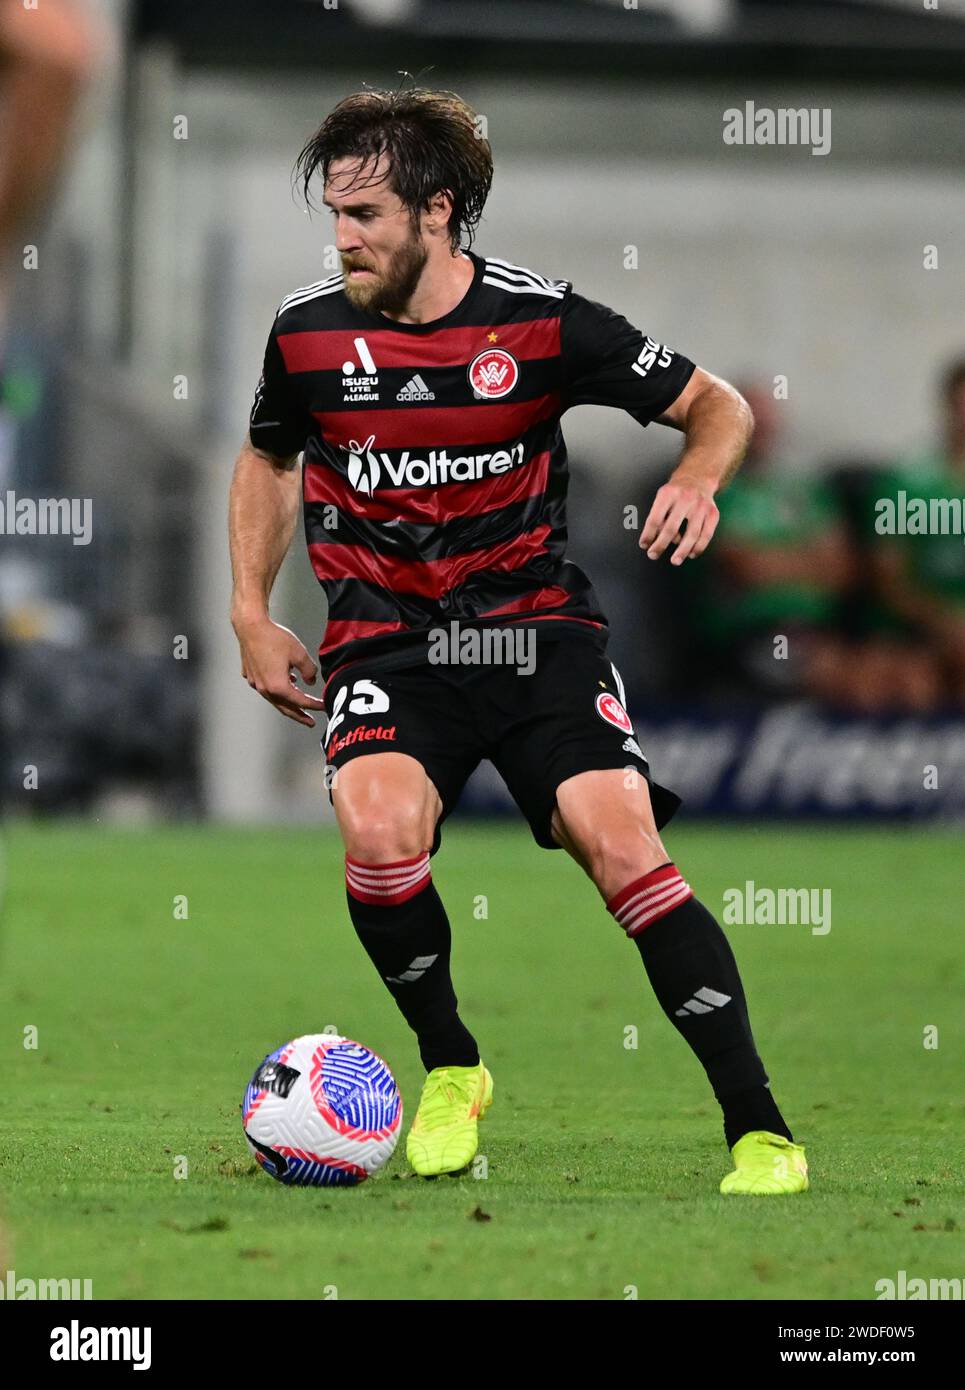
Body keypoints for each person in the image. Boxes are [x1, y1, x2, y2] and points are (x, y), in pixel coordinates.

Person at [229, 86, 808, 1195]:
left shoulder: (541, 323)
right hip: (388, 644)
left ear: (436, 211)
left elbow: (716, 403)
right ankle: (451, 1064)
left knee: (622, 842)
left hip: (531, 633)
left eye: (366, 216)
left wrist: (696, 475)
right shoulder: (306, 333)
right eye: (334, 216)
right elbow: (265, 460)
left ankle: (759, 1128)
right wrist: (252, 612)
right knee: (378, 829)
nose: (342, 238)